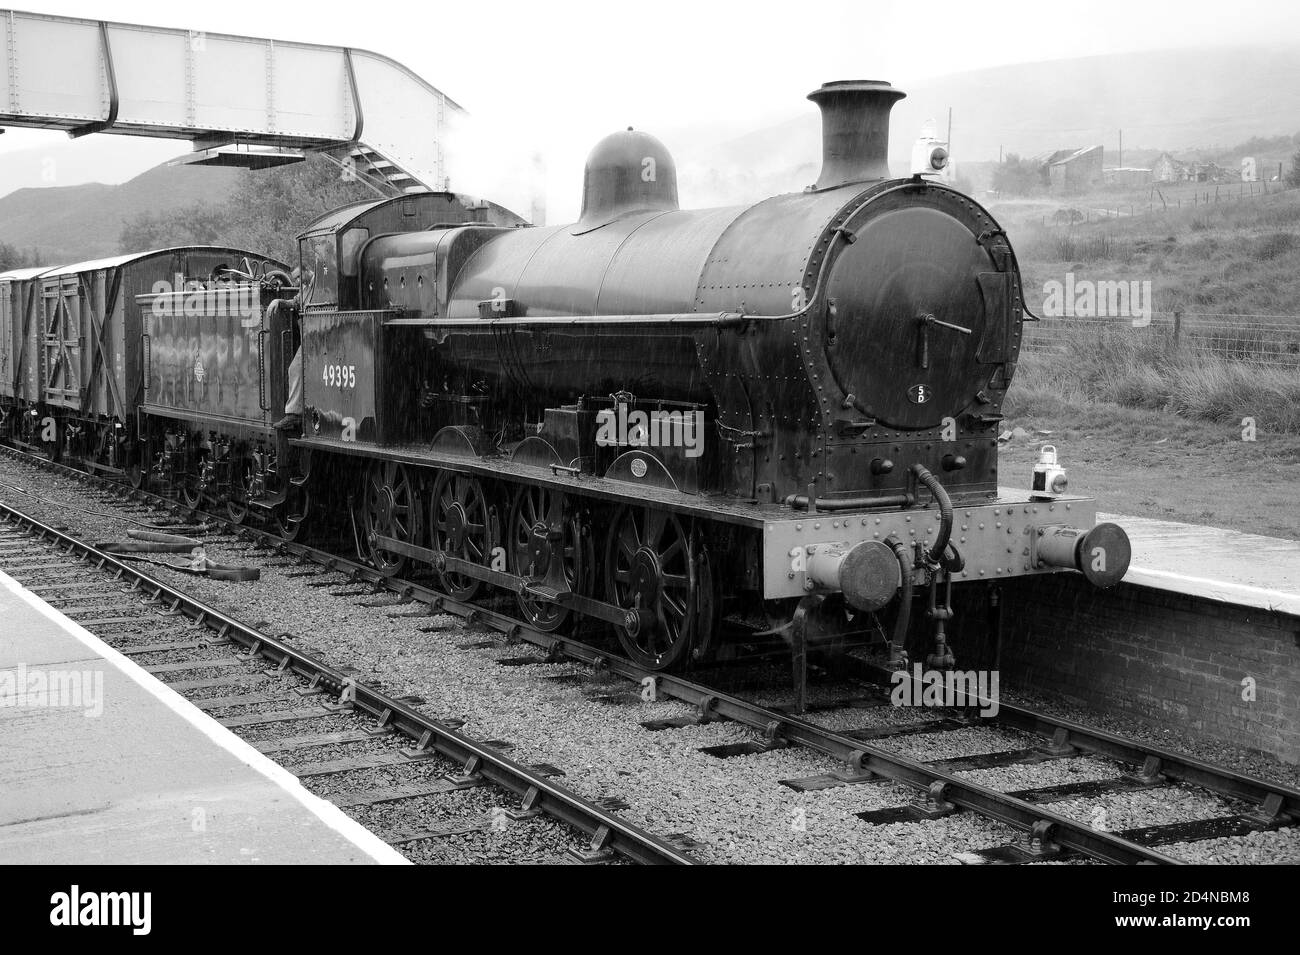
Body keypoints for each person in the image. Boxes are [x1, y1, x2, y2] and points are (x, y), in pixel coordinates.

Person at [273, 268, 309, 431]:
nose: (298, 281)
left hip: (315, 337)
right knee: (295, 369)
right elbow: (295, 302)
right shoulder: (305, 289)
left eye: (301, 276)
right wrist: (279, 302)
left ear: (308, 271)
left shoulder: (318, 284)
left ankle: (295, 414)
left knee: (295, 369)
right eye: (295, 279)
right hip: (309, 338)